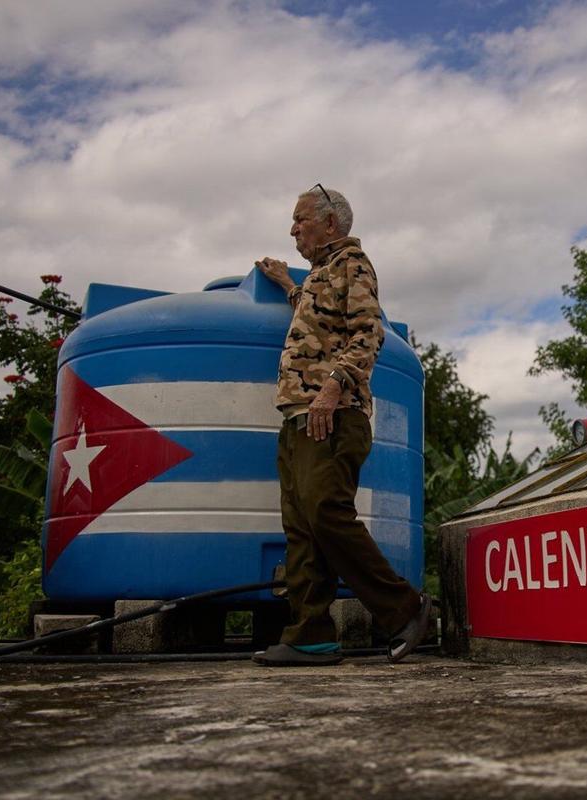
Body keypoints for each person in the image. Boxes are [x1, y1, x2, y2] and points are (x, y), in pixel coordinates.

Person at [252, 184, 431, 666]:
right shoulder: (319, 276)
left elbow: (368, 332)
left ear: (330, 224)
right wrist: (285, 283)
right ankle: (310, 634)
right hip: (298, 415)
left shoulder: (354, 264)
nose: (292, 229)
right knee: (301, 526)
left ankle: (406, 609)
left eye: (301, 220)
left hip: (332, 414)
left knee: (326, 512)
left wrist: (333, 387)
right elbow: (317, 319)